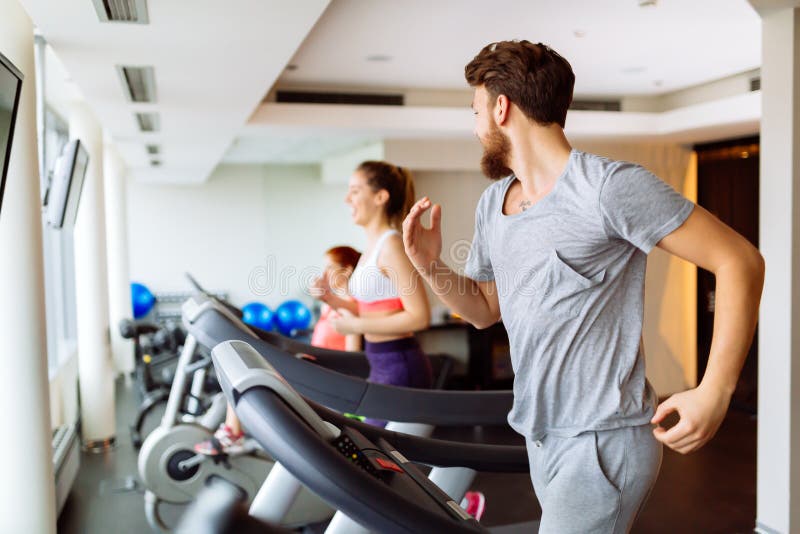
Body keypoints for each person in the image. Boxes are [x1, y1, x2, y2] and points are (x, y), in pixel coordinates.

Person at [403, 40, 764, 533]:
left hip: (602, 440)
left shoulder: (608, 187)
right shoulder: (494, 203)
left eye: (476, 111)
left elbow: (739, 260)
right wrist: (430, 265)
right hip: (541, 434)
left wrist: (715, 390)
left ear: (501, 108)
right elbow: (485, 310)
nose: (475, 127)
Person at [194, 246, 362, 456]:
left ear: (347, 271)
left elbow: (351, 361)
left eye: (330, 268)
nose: (324, 274)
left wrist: (318, 368)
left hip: (323, 377)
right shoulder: (330, 305)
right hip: (312, 366)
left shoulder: (350, 309)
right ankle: (232, 431)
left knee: (251, 377)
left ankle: (233, 434)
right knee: (243, 371)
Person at [328, 161, 434, 415]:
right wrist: (331, 299)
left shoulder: (391, 246)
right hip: (379, 361)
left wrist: (355, 326)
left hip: (400, 363)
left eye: (355, 191)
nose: (347, 199)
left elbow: (420, 317)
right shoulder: (373, 247)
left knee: (371, 439)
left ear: (380, 197)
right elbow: (373, 309)